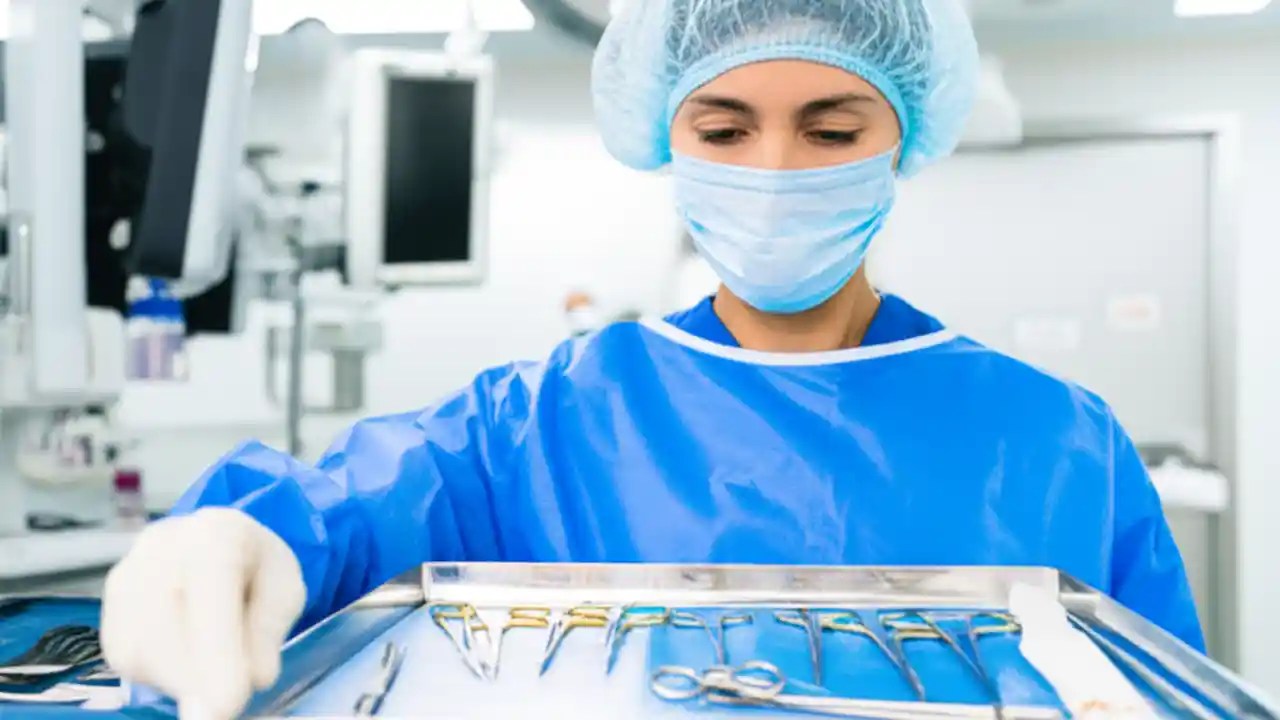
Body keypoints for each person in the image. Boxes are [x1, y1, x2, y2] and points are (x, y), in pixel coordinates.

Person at [101, 1, 1204, 717]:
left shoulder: (1058, 439)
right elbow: (348, 506)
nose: (772, 169)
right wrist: (245, 537)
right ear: (664, 142)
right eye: (723, 131)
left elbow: (1168, 692)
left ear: (902, 139)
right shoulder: (548, 421)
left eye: (829, 132)